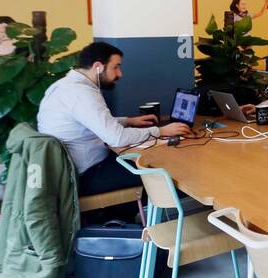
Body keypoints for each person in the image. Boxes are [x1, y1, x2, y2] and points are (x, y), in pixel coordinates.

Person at [36, 41, 191, 197]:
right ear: (98, 66)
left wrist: (129, 121)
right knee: (161, 171)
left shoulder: (65, 85)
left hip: (74, 169)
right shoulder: (81, 93)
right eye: (116, 67)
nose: (119, 74)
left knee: (143, 160)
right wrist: (161, 130)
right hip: (87, 175)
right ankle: (153, 217)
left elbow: (89, 121)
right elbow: (117, 138)